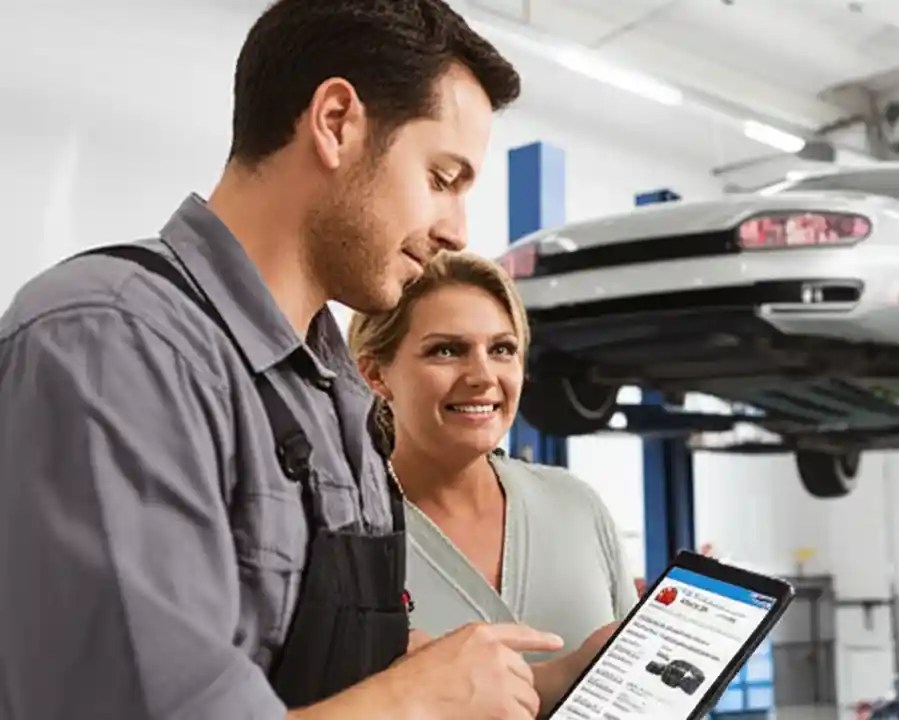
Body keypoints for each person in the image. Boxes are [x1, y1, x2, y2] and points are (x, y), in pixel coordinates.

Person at [0, 1, 593, 718]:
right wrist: (417, 703)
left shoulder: (329, 390)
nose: (456, 231)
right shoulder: (113, 345)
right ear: (336, 122)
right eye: (442, 178)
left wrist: (550, 683)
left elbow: (322, 665)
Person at [347, 250, 639, 701]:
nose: (483, 376)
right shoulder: (341, 532)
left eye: (502, 349)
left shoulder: (576, 506)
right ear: (375, 374)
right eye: (447, 350)